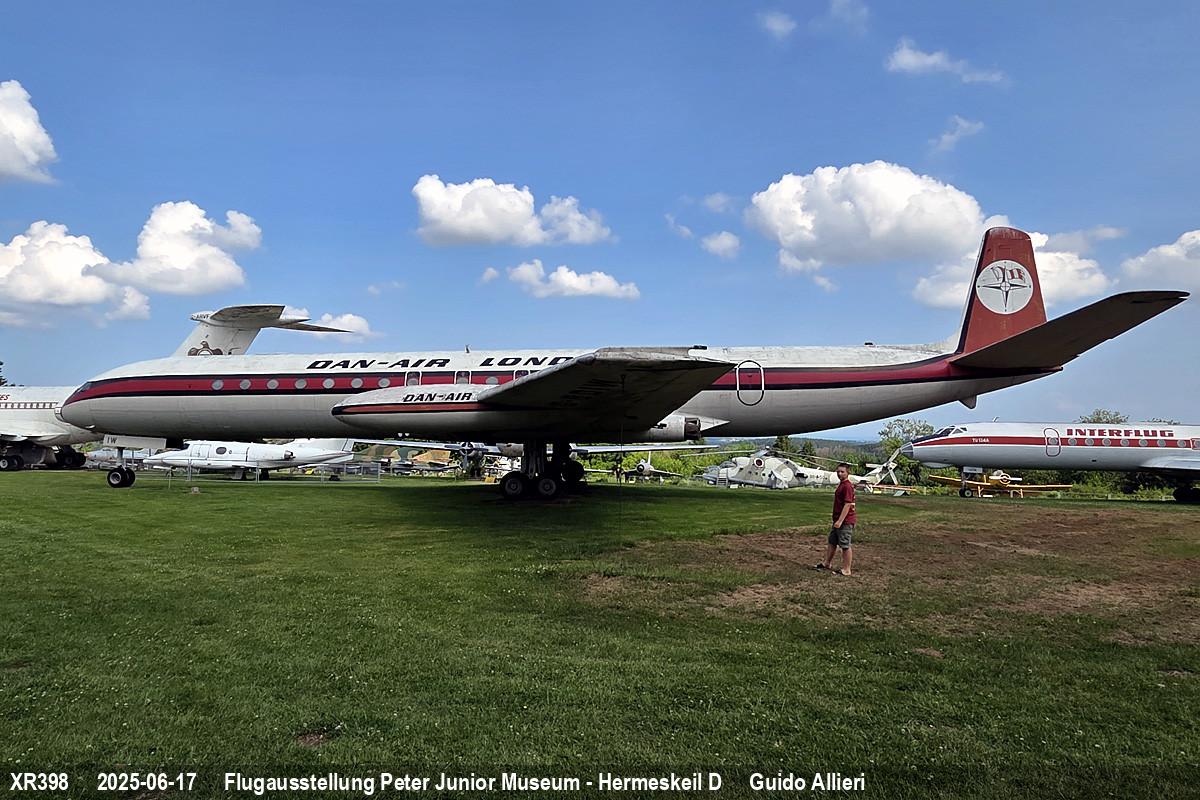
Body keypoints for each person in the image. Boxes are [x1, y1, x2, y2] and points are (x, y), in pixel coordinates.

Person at [816, 463, 856, 576]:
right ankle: (827, 563)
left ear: (848, 473)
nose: (839, 473)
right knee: (832, 542)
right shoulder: (841, 484)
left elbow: (848, 504)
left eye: (842, 471)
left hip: (845, 521)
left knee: (845, 545)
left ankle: (846, 569)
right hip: (837, 520)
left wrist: (840, 521)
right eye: (838, 471)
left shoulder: (847, 486)